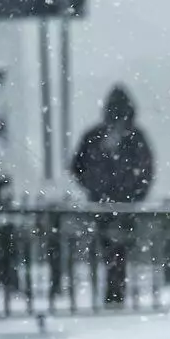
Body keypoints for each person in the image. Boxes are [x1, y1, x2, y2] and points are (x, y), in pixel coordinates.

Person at [70, 85, 154, 305]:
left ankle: (112, 287)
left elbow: (77, 166)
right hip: (125, 203)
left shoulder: (94, 135)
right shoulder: (136, 137)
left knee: (107, 244)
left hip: (102, 201)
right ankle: (117, 287)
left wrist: (93, 187)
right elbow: (146, 169)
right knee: (120, 247)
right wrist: (136, 193)